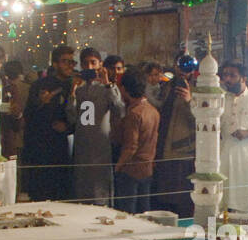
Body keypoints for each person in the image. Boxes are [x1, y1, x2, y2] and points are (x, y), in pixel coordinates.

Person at [68, 47, 124, 206]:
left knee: (101, 188)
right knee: (82, 185)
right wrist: (72, 92)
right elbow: (71, 116)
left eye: (93, 63)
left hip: (101, 146)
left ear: (100, 65)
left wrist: (108, 85)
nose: (89, 67)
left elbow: (120, 110)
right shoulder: (78, 90)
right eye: (85, 63)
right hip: (82, 146)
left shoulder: (108, 89)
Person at [22, 45, 78, 202]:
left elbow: (84, 118)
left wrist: (68, 127)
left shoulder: (74, 86)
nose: (69, 66)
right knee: (40, 193)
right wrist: (40, 102)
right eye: (65, 61)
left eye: (72, 62)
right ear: (55, 64)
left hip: (62, 147)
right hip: (40, 148)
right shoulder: (40, 85)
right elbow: (28, 114)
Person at [151, 57, 197, 217]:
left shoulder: (199, 89)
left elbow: (202, 121)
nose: (183, 73)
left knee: (182, 200)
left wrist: (189, 101)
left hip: (183, 153)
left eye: (188, 69)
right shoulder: (168, 85)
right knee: (165, 199)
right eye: (181, 68)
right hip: (164, 149)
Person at [218, 60, 248, 213]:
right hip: (223, 154)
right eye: (225, 75)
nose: (227, 79)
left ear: (243, 77)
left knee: (242, 201)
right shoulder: (221, 99)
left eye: (232, 75)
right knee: (221, 198)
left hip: (245, 158)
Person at [111, 70, 158, 214]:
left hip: (131, 170)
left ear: (124, 89)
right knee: (145, 211)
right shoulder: (153, 111)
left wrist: (118, 166)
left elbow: (131, 147)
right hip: (148, 167)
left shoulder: (134, 114)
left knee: (128, 213)